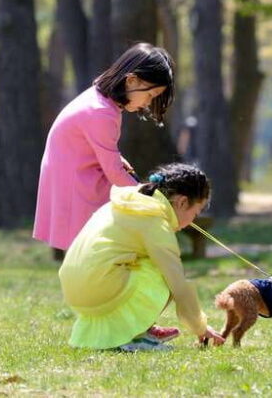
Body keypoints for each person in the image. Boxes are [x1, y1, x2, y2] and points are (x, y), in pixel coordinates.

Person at [58, 163, 225, 351]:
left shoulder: (127, 203)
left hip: (75, 292)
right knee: (163, 271)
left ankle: (140, 330)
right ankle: (133, 339)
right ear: (182, 202)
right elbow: (178, 284)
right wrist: (200, 327)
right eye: (196, 213)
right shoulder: (154, 221)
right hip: (99, 288)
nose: (192, 221)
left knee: (148, 263)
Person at [33, 42, 174, 259]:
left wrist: (118, 158)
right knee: (95, 250)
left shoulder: (102, 100)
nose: (148, 102)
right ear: (131, 80)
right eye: (150, 94)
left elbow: (100, 147)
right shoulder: (102, 113)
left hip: (77, 174)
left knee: (95, 251)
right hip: (77, 182)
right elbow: (115, 173)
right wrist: (146, 195)